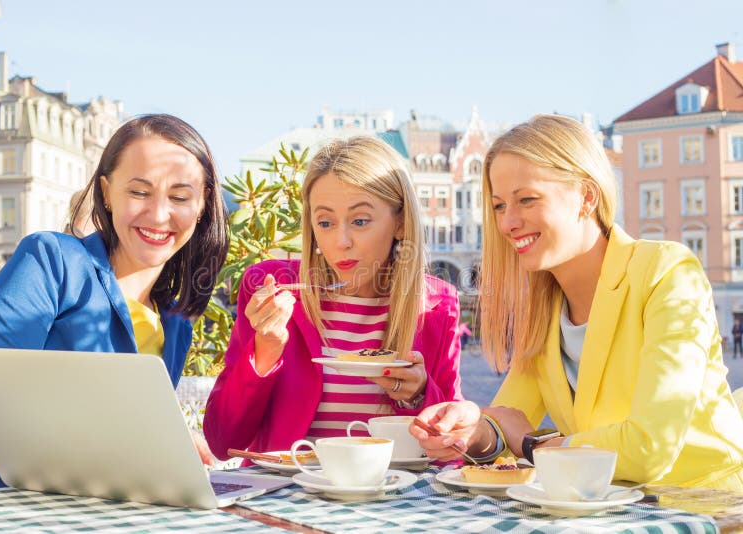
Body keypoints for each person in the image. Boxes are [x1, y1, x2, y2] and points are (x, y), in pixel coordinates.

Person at [411, 114, 743, 490]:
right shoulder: (543, 308)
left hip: (709, 508)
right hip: (605, 509)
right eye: (500, 206)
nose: (508, 224)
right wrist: (469, 429)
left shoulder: (666, 272)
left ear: (586, 197)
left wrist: (533, 445)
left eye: (527, 200)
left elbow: (651, 446)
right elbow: (507, 423)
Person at [0, 114, 229, 487]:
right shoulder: (49, 262)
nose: (159, 215)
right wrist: (142, 444)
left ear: (204, 203)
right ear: (107, 192)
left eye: (179, 197)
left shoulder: (175, 324)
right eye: (139, 192)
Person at [204, 136, 463, 460]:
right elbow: (222, 440)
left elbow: (453, 450)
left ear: (399, 222)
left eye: (359, 221)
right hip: (284, 496)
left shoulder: (437, 305)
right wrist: (265, 351)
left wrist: (420, 394)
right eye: (325, 222)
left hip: (393, 501)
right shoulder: (272, 288)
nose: (341, 241)